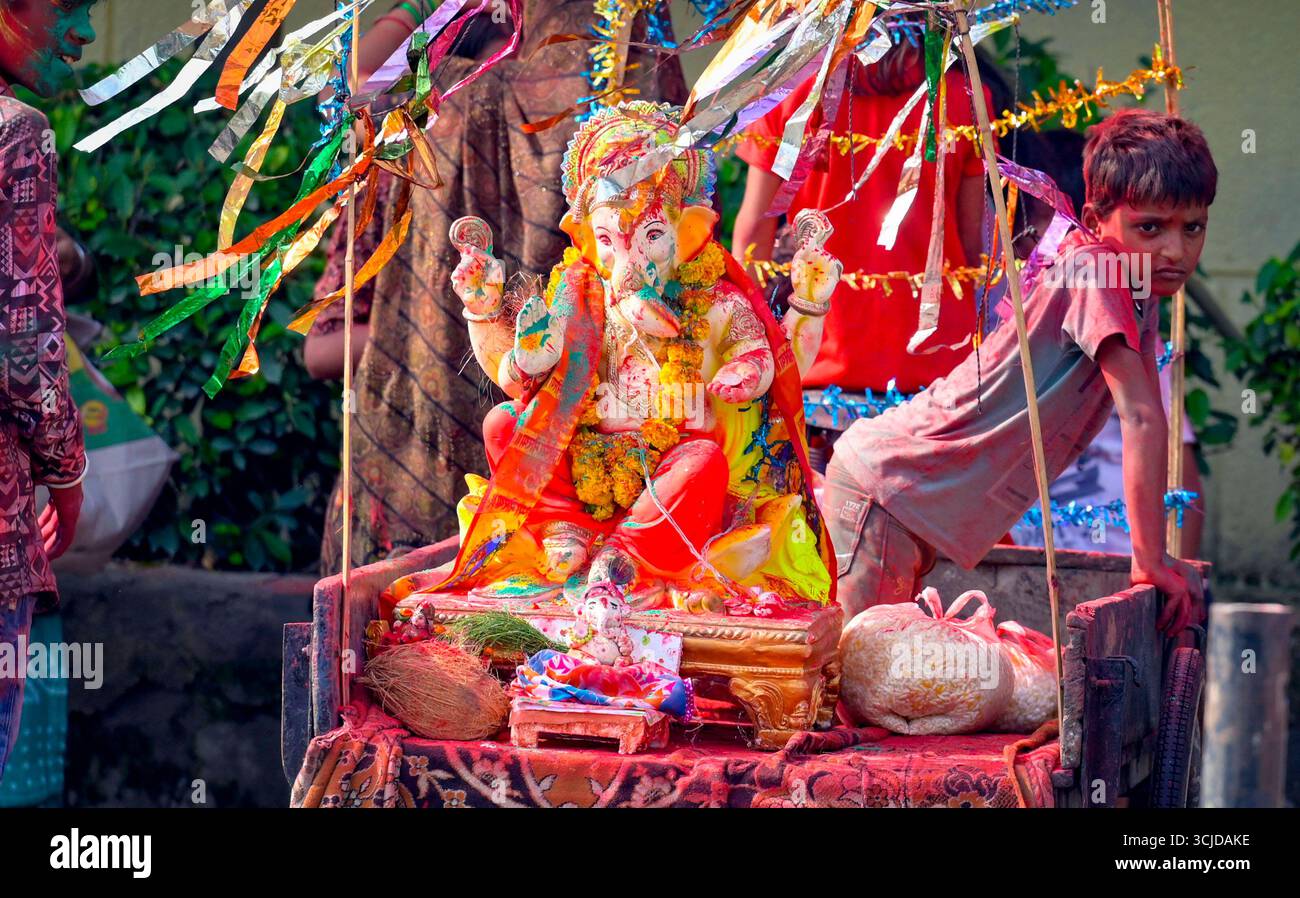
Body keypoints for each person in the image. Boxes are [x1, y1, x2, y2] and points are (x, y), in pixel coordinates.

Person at [305, 2, 687, 573]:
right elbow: (349, 89)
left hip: (553, 475)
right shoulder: (438, 84)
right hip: (457, 477)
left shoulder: (611, 57)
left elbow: (352, 86)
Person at [823, 108, 1214, 637]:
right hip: (889, 487)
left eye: (1193, 228)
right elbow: (1141, 419)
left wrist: (1154, 557)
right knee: (856, 683)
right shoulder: (1094, 270)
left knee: (888, 683)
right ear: (1097, 217)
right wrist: (1148, 561)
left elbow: (1148, 411)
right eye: (1150, 227)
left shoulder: (1135, 287)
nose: (1175, 249)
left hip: (910, 500)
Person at [731, 32, 993, 394]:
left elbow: (751, 240)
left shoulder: (791, 95)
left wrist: (744, 346)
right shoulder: (964, 96)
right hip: (939, 363)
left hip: (815, 355)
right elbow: (971, 237)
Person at [0, 0, 96, 782]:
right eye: (69, 8)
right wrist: (66, 473)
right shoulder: (15, 131)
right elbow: (24, 350)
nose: (85, 34)